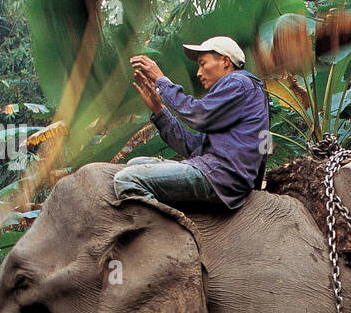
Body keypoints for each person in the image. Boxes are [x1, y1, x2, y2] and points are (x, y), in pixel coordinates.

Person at [114, 35, 270, 210]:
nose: (198, 73)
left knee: (127, 179)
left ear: (226, 61)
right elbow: (191, 147)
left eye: (203, 63)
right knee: (134, 163)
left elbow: (198, 115)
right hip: (213, 169)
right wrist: (159, 110)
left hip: (221, 176)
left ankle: (169, 234)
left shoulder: (239, 82)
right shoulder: (226, 102)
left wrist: (161, 81)